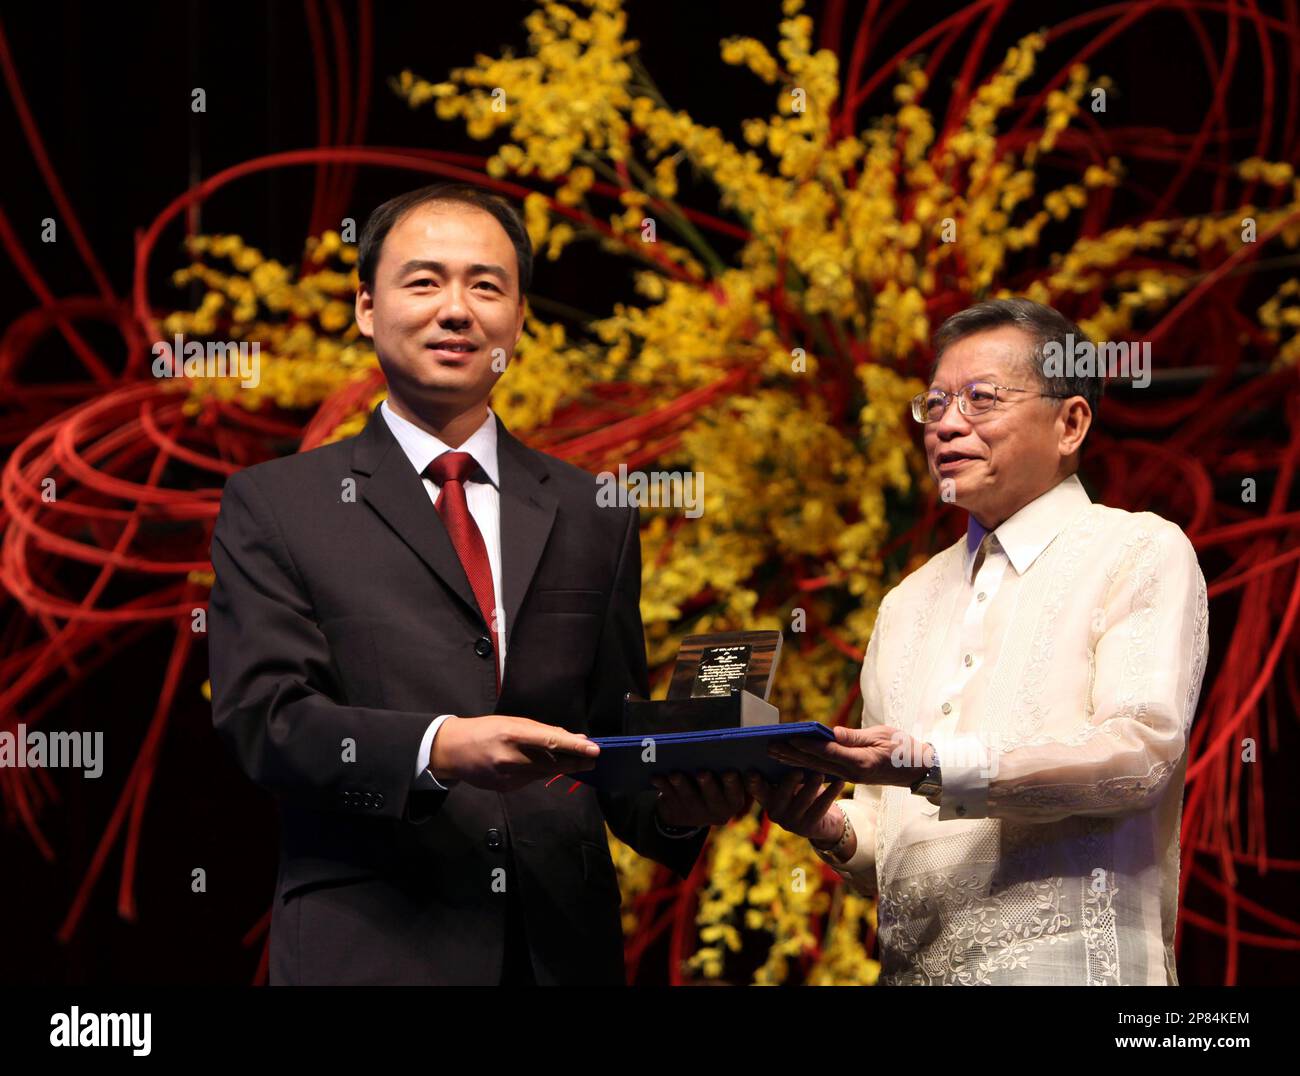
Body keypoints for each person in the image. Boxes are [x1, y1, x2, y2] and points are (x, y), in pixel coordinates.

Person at [208, 182, 747, 985]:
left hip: (562, 950)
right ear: (365, 307)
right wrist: (442, 747)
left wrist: (683, 799)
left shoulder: (592, 510)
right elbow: (267, 722)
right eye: (424, 282)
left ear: (520, 319)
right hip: (373, 945)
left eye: (485, 285)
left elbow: (606, 740)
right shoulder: (279, 504)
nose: (456, 310)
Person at [753, 298, 1209, 985]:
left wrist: (934, 763)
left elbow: (1140, 754)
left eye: (980, 399)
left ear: (1070, 422)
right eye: (934, 405)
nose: (947, 425)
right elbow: (893, 840)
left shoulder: (1137, 549)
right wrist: (827, 823)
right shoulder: (907, 603)